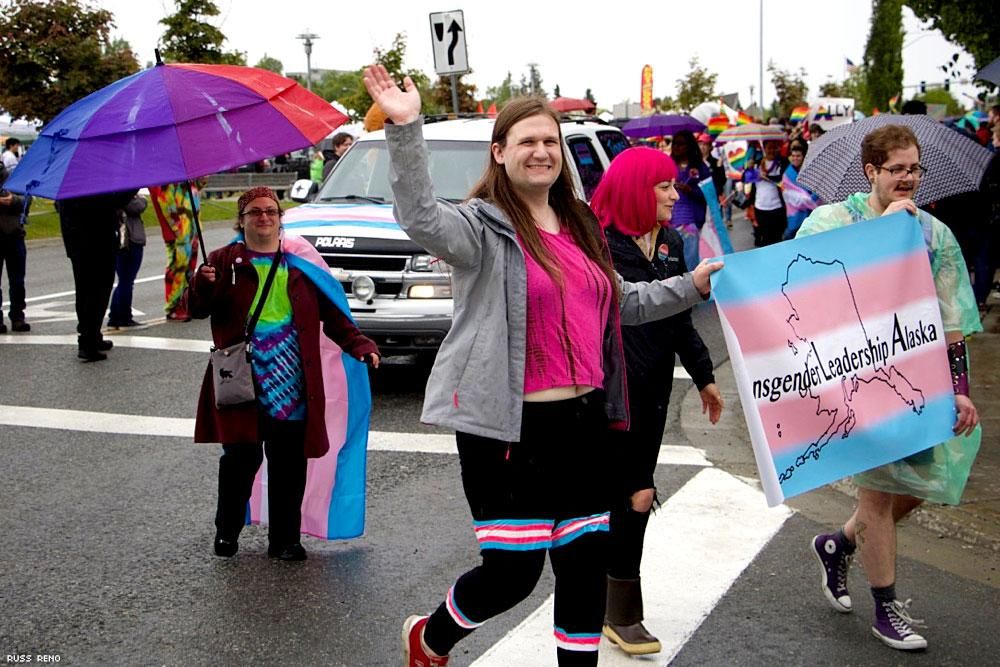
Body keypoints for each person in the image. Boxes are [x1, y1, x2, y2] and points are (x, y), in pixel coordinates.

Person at [362, 64, 722, 667]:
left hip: (585, 425)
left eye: (550, 141)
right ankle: (430, 638)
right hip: (509, 430)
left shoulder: (581, 228)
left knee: (582, 573)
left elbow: (623, 302)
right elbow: (421, 217)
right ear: (499, 153)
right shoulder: (480, 228)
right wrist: (406, 129)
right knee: (512, 575)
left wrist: (693, 284)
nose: (541, 151)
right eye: (526, 140)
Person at [799, 125, 981, 651]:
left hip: (918, 379)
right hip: (854, 380)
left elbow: (953, 317)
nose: (907, 178)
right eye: (896, 168)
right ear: (870, 172)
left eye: (914, 168)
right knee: (878, 493)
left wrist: (960, 388)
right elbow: (806, 286)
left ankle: (839, 543)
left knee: (919, 484)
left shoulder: (935, 234)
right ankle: (886, 610)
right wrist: (879, 235)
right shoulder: (830, 222)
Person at [186, 186, 380, 561]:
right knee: (240, 459)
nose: (264, 218)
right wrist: (202, 284)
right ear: (240, 221)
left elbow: (333, 315)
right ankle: (227, 531)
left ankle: (285, 540)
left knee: (289, 461)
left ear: (279, 217)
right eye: (254, 212)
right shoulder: (222, 262)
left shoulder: (301, 262)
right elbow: (196, 309)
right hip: (243, 374)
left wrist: (360, 345)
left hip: (292, 378)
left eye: (271, 211)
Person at [590, 147, 723, 656]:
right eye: (663, 186)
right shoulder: (599, 243)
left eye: (674, 185)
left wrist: (705, 376)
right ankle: (623, 612)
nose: (674, 194)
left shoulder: (668, 241)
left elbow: (679, 314)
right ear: (633, 190)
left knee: (623, 497)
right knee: (635, 494)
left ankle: (604, 598)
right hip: (606, 392)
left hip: (654, 391)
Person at [57, 189, 138, 361]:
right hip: (95, 241)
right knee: (96, 291)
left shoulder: (71, 183)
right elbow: (112, 202)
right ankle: (87, 341)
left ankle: (92, 335)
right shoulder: (90, 183)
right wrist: (132, 188)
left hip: (78, 240)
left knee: (86, 290)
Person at [149, 181, 201, 321]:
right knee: (178, 268)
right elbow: (165, 202)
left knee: (190, 268)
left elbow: (200, 185)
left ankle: (185, 302)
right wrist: (177, 228)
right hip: (179, 232)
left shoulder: (187, 176)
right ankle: (173, 307)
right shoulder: (167, 178)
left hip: (192, 228)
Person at [670, 130, 711, 269]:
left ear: (689, 146)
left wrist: (691, 191)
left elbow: (709, 194)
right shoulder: (668, 165)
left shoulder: (700, 167)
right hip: (669, 223)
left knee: (690, 266)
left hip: (690, 223)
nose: (676, 146)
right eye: (674, 143)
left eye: (680, 144)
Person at [107, 193, 148, 328]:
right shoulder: (123, 196)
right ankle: (124, 316)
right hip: (129, 241)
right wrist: (141, 198)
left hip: (123, 241)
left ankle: (115, 315)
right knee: (126, 281)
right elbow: (138, 206)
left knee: (124, 281)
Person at [0, 165, 30, 333]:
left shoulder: (14, 176)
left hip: (14, 235)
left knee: (17, 280)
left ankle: (18, 316)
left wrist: (13, 201)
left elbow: (26, 198)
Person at [746, 139, 788, 246]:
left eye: (774, 147)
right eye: (769, 147)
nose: (772, 150)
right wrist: (749, 169)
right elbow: (745, 179)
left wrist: (766, 177)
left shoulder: (782, 162)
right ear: (764, 149)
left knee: (778, 238)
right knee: (766, 239)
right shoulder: (757, 163)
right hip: (761, 207)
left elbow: (782, 179)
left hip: (777, 207)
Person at [782, 140, 820, 240]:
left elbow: (817, 189)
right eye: (793, 156)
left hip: (812, 214)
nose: (795, 158)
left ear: (803, 157)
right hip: (796, 213)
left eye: (798, 156)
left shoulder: (811, 171)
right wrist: (808, 200)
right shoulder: (787, 175)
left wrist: (810, 199)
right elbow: (788, 194)